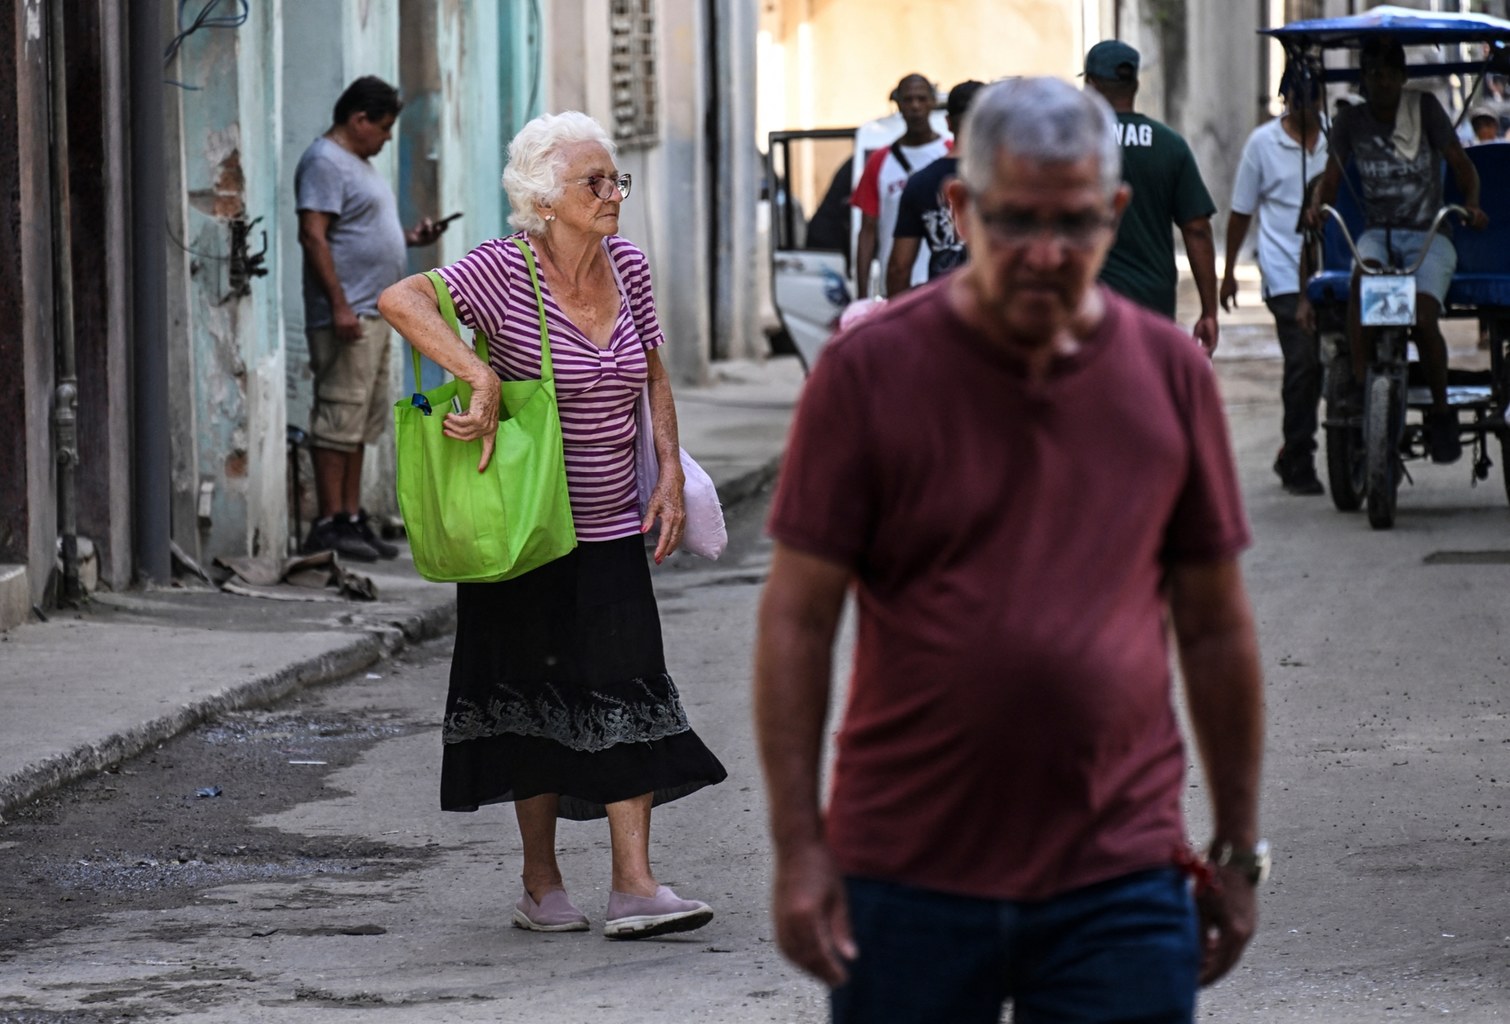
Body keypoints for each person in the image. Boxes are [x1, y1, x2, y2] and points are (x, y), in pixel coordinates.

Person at [755, 77, 1266, 1023]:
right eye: (1016, 221)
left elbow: (1215, 630)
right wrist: (800, 847)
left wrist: (1236, 850)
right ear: (959, 207)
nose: (1045, 253)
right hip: (906, 874)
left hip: (1119, 876)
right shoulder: (869, 375)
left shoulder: (1168, 378)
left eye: (1074, 223)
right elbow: (797, 620)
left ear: (1114, 211)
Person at [377, 111, 727, 939]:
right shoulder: (503, 270)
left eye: (617, 181)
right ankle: (541, 884)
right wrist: (477, 375)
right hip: (525, 528)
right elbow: (399, 298)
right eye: (594, 183)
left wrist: (670, 469)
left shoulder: (630, 268)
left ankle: (635, 884)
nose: (612, 195)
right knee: (529, 699)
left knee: (629, 689)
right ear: (543, 197)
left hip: (610, 522)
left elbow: (652, 372)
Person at [1306, 37, 1487, 464]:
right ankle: (1360, 385)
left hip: (1429, 235)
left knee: (1423, 317)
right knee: (1360, 283)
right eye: (1371, 73)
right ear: (1363, 78)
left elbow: (1464, 168)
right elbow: (1330, 180)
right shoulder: (1351, 122)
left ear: (1402, 76)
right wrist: (1317, 207)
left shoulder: (1424, 110)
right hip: (1378, 234)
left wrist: (1473, 205)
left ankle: (1440, 412)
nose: (1380, 80)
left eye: (1388, 72)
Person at [296, 76, 450, 562]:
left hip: (372, 312)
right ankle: (327, 523)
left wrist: (407, 238)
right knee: (338, 418)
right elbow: (314, 236)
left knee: (362, 422)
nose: (386, 138)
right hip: (350, 314)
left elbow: (357, 232)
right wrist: (340, 304)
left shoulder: (357, 164)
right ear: (358, 119)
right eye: (382, 128)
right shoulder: (324, 161)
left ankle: (351, 517)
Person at [1221, 64, 1329, 496]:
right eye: (1298, 103)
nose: (1307, 111)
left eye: (1313, 103)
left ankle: (1362, 441)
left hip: (1332, 263)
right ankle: (1297, 454)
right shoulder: (1261, 145)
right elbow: (1241, 212)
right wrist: (1228, 272)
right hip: (1283, 269)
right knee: (1303, 358)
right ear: (1286, 101)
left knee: (1337, 357)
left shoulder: (1336, 141)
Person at [1084, 40, 1221, 355]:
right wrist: (1209, 311)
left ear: (1091, 85)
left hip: (1087, 302)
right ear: (1135, 84)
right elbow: (1197, 229)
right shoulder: (1169, 145)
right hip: (1152, 303)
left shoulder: (1071, 145)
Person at [850, 73, 951, 298]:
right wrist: (862, 295)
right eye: (908, 99)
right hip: (898, 287)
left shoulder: (950, 152)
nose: (915, 106)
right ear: (898, 104)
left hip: (943, 286)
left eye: (922, 99)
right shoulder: (879, 161)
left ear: (932, 102)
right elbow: (867, 230)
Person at [886, 79, 985, 296]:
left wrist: (898, 324)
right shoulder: (1008, 178)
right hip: (998, 314)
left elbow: (899, 268)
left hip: (944, 307)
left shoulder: (921, 182)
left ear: (948, 123)